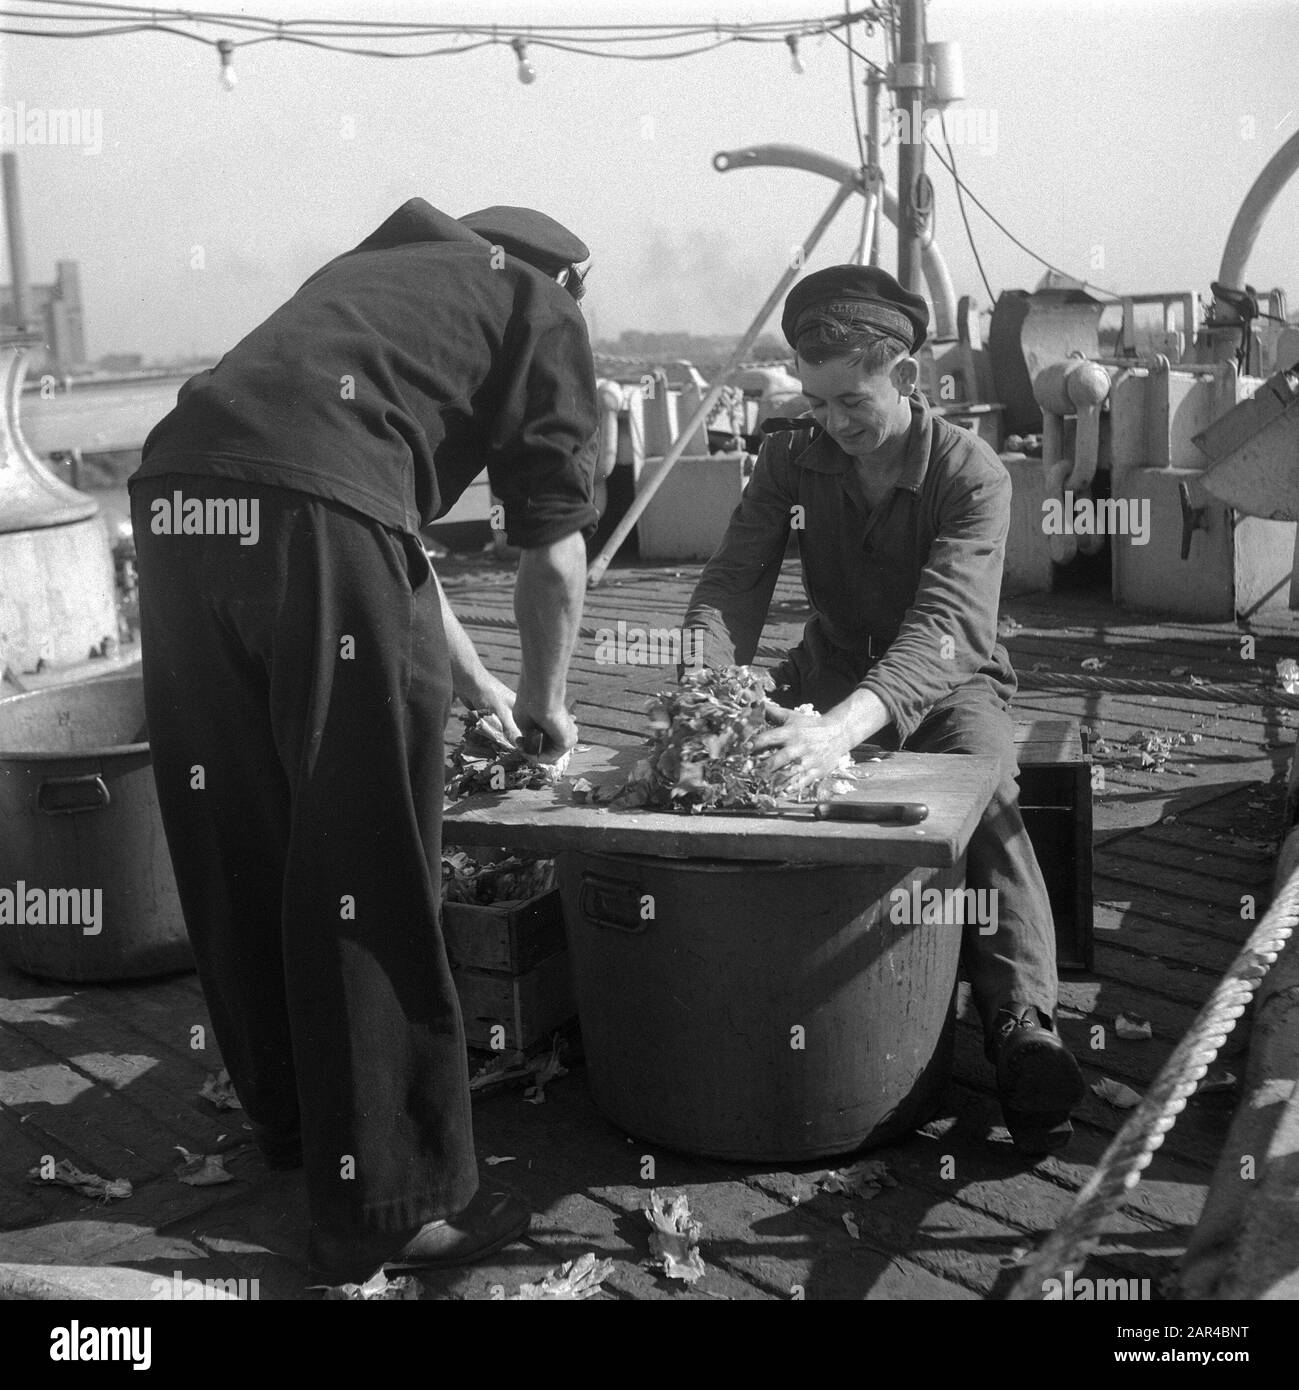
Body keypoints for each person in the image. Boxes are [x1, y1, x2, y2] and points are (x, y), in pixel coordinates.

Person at [128, 198, 596, 1282]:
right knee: (363, 855)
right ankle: (392, 1205)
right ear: (570, 278)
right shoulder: (537, 301)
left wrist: (476, 685)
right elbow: (554, 556)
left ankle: (294, 1126)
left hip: (175, 498)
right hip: (316, 515)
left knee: (235, 828)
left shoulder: (368, 281)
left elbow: (381, 523)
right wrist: (548, 698)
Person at [683, 264, 1086, 1157]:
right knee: (704, 767)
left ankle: (1023, 1026)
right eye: (815, 403)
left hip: (952, 683)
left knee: (988, 800)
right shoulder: (792, 455)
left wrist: (841, 729)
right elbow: (735, 580)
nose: (831, 423)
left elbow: (946, 629)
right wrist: (703, 684)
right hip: (826, 668)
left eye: (849, 401)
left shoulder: (971, 474)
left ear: (907, 378)